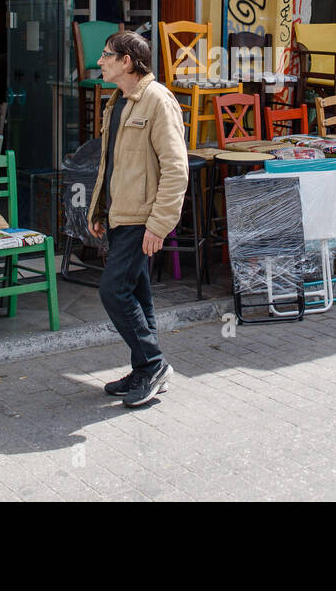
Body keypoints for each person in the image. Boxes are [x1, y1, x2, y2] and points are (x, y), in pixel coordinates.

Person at [87, 30, 189, 407]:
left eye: (106, 54)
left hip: (141, 219)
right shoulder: (118, 102)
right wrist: (99, 208)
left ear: (127, 61)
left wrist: (159, 224)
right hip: (120, 214)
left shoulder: (157, 101)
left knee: (113, 291)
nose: (100, 61)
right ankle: (145, 369)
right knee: (136, 292)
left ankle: (152, 363)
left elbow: (176, 169)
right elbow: (110, 164)